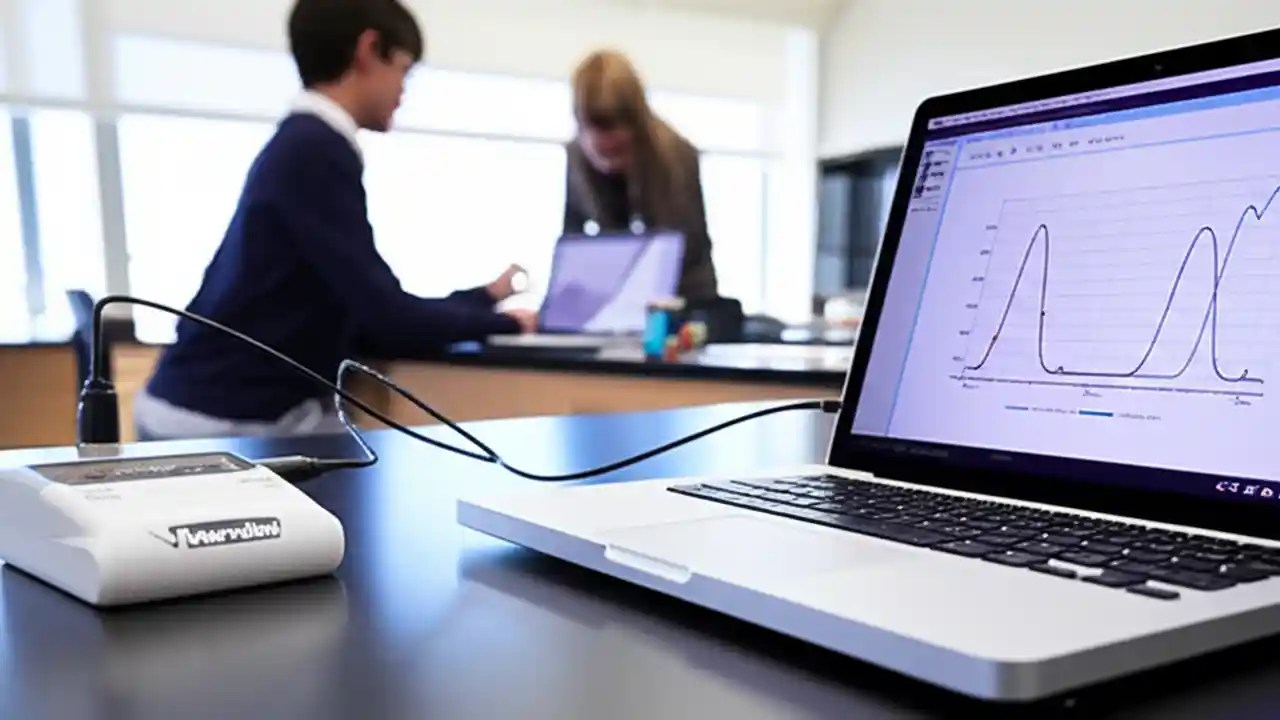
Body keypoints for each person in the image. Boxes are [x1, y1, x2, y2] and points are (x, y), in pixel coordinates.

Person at [135, 0, 536, 441]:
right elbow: (388, 320)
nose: (404, 91)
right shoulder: (316, 151)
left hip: (197, 401)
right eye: (404, 70)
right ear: (369, 50)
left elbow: (367, 308)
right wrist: (508, 324)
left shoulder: (300, 143)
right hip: (224, 416)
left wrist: (483, 298)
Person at [563, 50, 719, 302]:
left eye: (619, 151)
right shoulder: (576, 156)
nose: (609, 164)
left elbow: (692, 256)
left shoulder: (675, 156)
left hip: (681, 288)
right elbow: (571, 247)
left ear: (638, 128)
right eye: (602, 152)